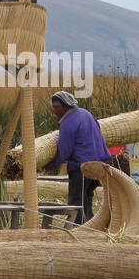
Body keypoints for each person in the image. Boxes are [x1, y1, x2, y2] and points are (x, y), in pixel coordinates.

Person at [47, 90, 112, 224]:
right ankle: (89, 224)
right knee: (87, 197)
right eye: (53, 107)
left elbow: (64, 151)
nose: (54, 111)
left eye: (57, 107)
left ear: (66, 106)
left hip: (83, 167)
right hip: (102, 162)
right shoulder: (86, 113)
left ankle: (76, 227)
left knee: (76, 201)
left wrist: (50, 165)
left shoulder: (67, 122)